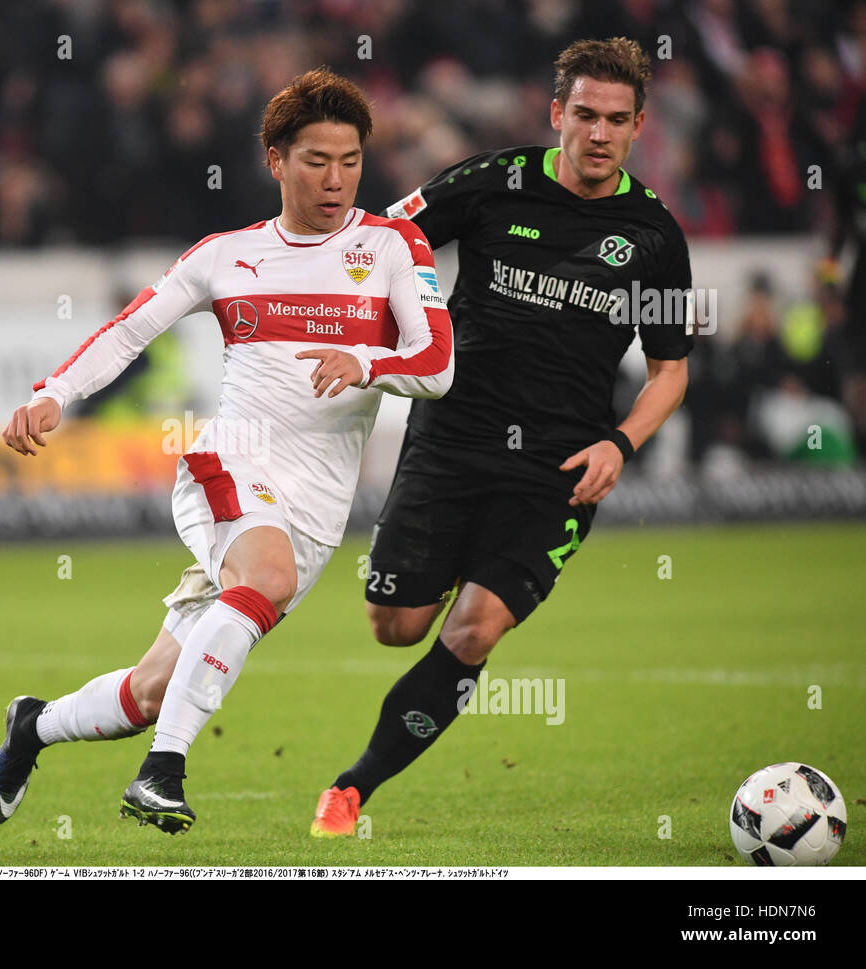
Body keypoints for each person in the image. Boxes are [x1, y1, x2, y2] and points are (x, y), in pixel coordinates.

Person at [0, 68, 455, 834]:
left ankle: (31, 726)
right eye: (315, 161)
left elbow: (438, 363)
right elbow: (132, 328)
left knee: (149, 692)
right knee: (261, 575)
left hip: (316, 506)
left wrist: (366, 362)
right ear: (275, 160)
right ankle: (162, 774)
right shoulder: (226, 256)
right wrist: (53, 394)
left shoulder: (394, 244)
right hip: (230, 463)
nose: (335, 180)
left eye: (350, 161)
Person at [308, 37, 695, 837]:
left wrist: (619, 445)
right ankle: (443, 569)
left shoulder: (654, 236)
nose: (598, 133)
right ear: (557, 113)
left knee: (474, 627)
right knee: (397, 625)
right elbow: (382, 241)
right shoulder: (492, 184)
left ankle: (351, 790)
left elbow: (669, 372)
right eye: (584, 114)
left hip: (560, 464)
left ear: (637, 127)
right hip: (452, 435)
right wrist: (373, 339)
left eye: (616, 120)